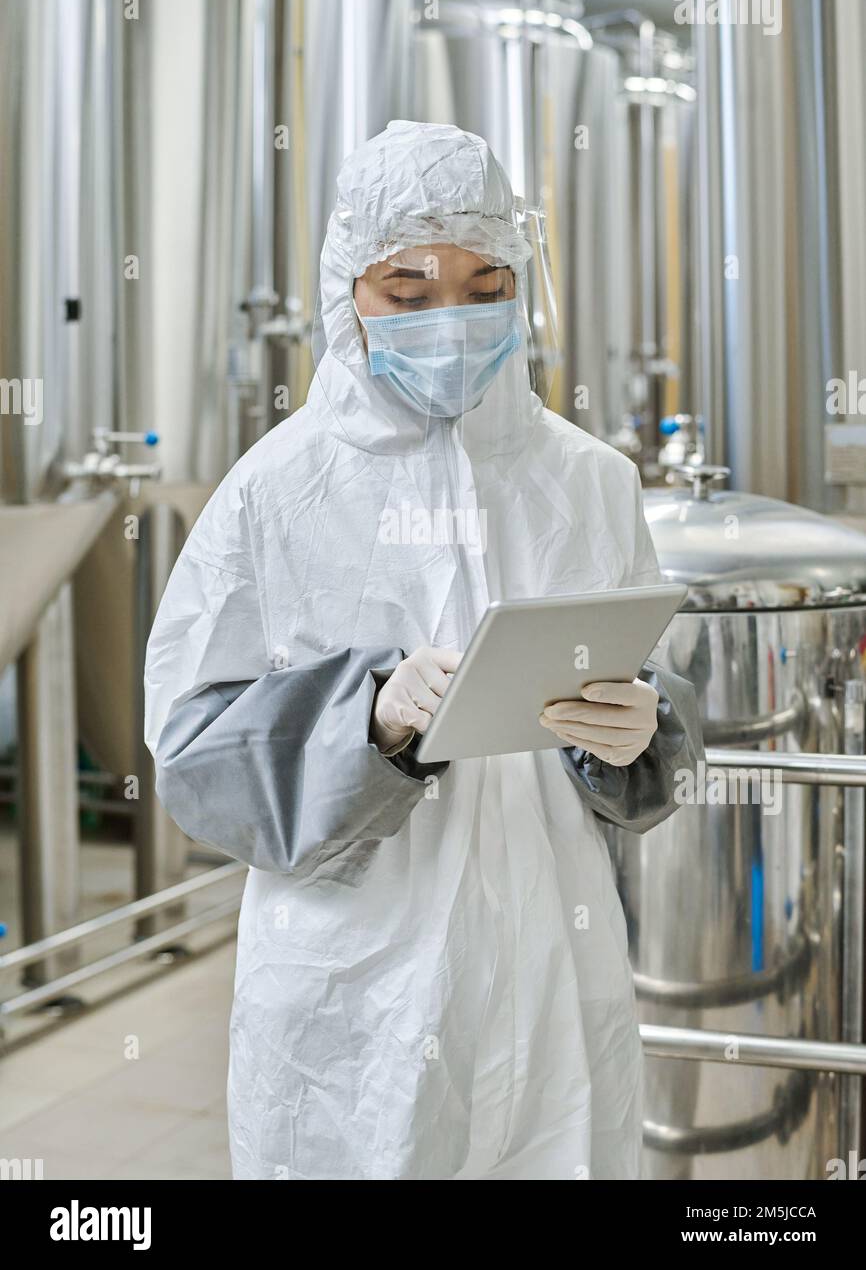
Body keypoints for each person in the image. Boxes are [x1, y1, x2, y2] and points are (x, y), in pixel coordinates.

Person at [144, 120, 703, 1181]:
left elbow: (640, 686)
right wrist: (364, 721)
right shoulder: (275, 490)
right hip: (354, 974)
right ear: (344, 294)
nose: (451, 320)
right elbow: (188, 752)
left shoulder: (586, 479)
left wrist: (643, 731)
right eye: (408, 293)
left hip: (549, 952)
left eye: (485, 283)